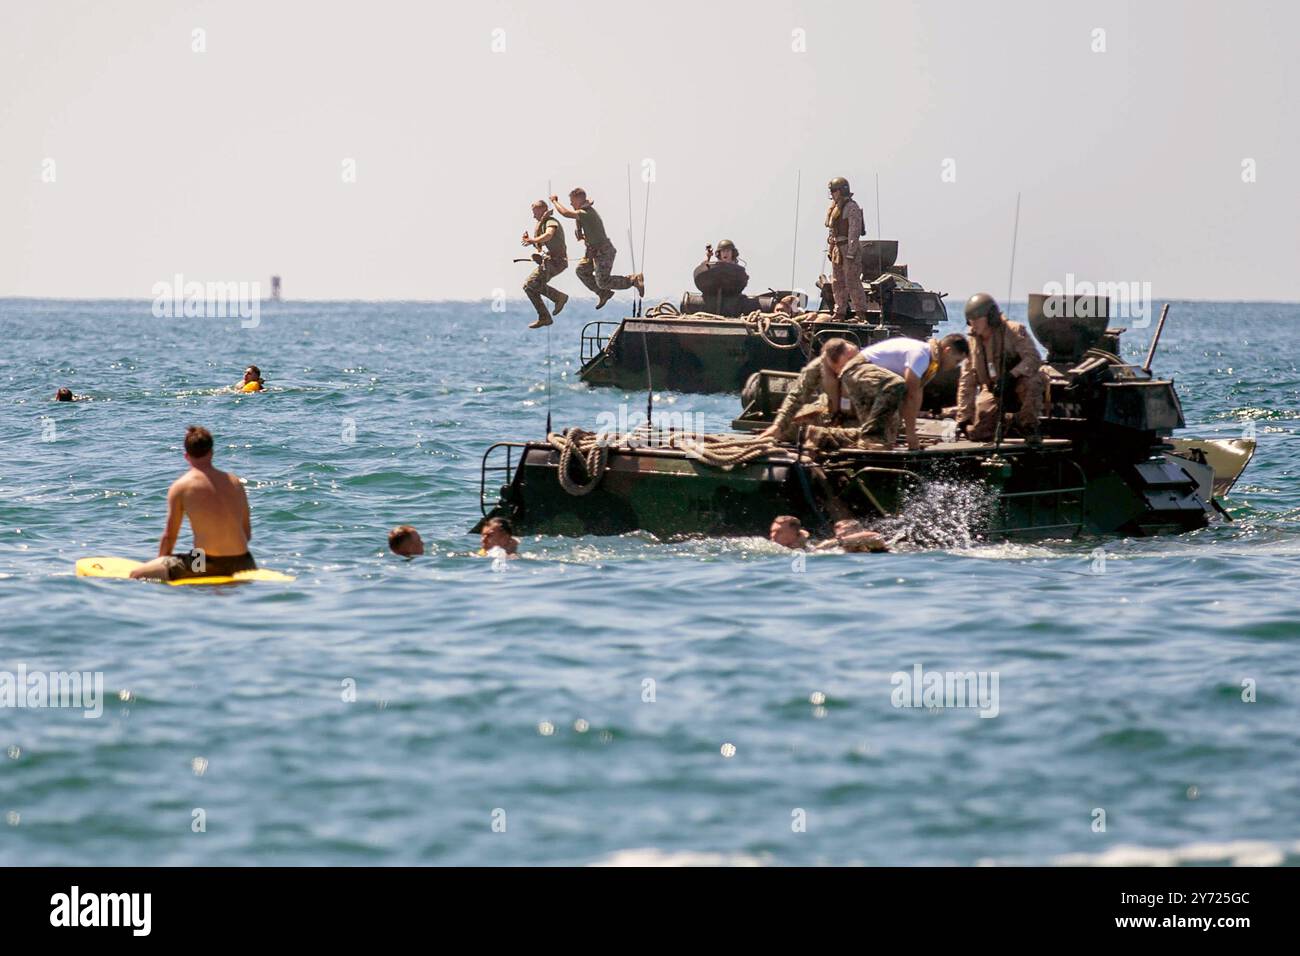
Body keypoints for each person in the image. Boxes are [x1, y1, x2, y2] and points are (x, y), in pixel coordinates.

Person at [129, 426, 257, 581]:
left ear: (186, 455)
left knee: (135, 575)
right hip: (244, 561)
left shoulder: (181, 486)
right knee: (196, 554)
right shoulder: (235, 482)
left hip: (204, 563)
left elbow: (170, 537)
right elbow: (247, 534)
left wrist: (161, 563)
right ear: (211, 452)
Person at [956, 293, 1045, 442]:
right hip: (993, 389)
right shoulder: (973, 341)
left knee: (1033, 382)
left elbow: (1033, 358)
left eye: (977, 319)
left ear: (990, 317)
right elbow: (968, 380)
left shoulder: (1013, 331)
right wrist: (963, 417)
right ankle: (1010, 422)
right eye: (971, 321)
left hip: (1017, 385)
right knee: (980, 434)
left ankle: (1028, 424)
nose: (973, 324)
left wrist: (1012, 375)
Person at [860, 334, 970, 449]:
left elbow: (915, 395)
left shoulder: (929, 358)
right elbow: (911, 394)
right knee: (897, 388)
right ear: (948, 351)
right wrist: (911, 434)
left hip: (869, 380)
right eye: (957, 361)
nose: (955, 366)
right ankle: (869, 439)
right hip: (861, 373)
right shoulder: (922, 355)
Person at [805, 338, 906, 451]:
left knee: (814, 433)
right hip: (841, 422)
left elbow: (883, 425)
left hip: (866, 430)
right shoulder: (834, 380)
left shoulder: (866, 379)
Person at [550, 188, 644, 307]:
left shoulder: (586, 213)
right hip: (594, 252)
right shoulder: (583, 212)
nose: (571, 204)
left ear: (578, 200)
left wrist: (554, 201)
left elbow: (566, 213)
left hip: (604, 252)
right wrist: (579, 231)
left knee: (603, 281)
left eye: (572, 201)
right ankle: (603, 293)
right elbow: (577, 219)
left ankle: (632, 280)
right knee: (581, 271)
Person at [758, 342, 861, 442]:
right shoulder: (820, 367)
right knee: (787, 429)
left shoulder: (868, 371)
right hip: (828, 412)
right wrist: (778, 426)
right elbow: (797, 395)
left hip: (859, 418)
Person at [825, 177, 870, 320]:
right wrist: (831, 248)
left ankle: (860, 313)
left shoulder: (851, 207)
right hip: (837, 247)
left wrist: (851, 251)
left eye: (834, 191)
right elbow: (832, 231)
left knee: (852, 280)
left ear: (841, 191)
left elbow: (854, 231)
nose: (832, 194)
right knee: (837, 281)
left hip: (848, 248)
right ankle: (839, 311)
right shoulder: (834, 209)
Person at [520, 199, 569, 329]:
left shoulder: (550, 221)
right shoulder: (542, 224)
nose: (533, 215)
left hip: (557, 262)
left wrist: (533, 239)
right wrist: (531, 241)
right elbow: (540, 246)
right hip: (551, 261)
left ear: (542, 210)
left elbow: (549, 235)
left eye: (534, 212)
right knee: (529, 286)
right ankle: (545, 316)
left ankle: (559, 298)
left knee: (530, 284)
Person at [814, 519, 890, 553]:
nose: (841, 537)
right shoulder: (839, 552)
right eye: (838, 536)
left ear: (859, 533)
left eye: (845, 534)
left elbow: (876, 537)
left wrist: (842, 541)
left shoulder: (872, 547)